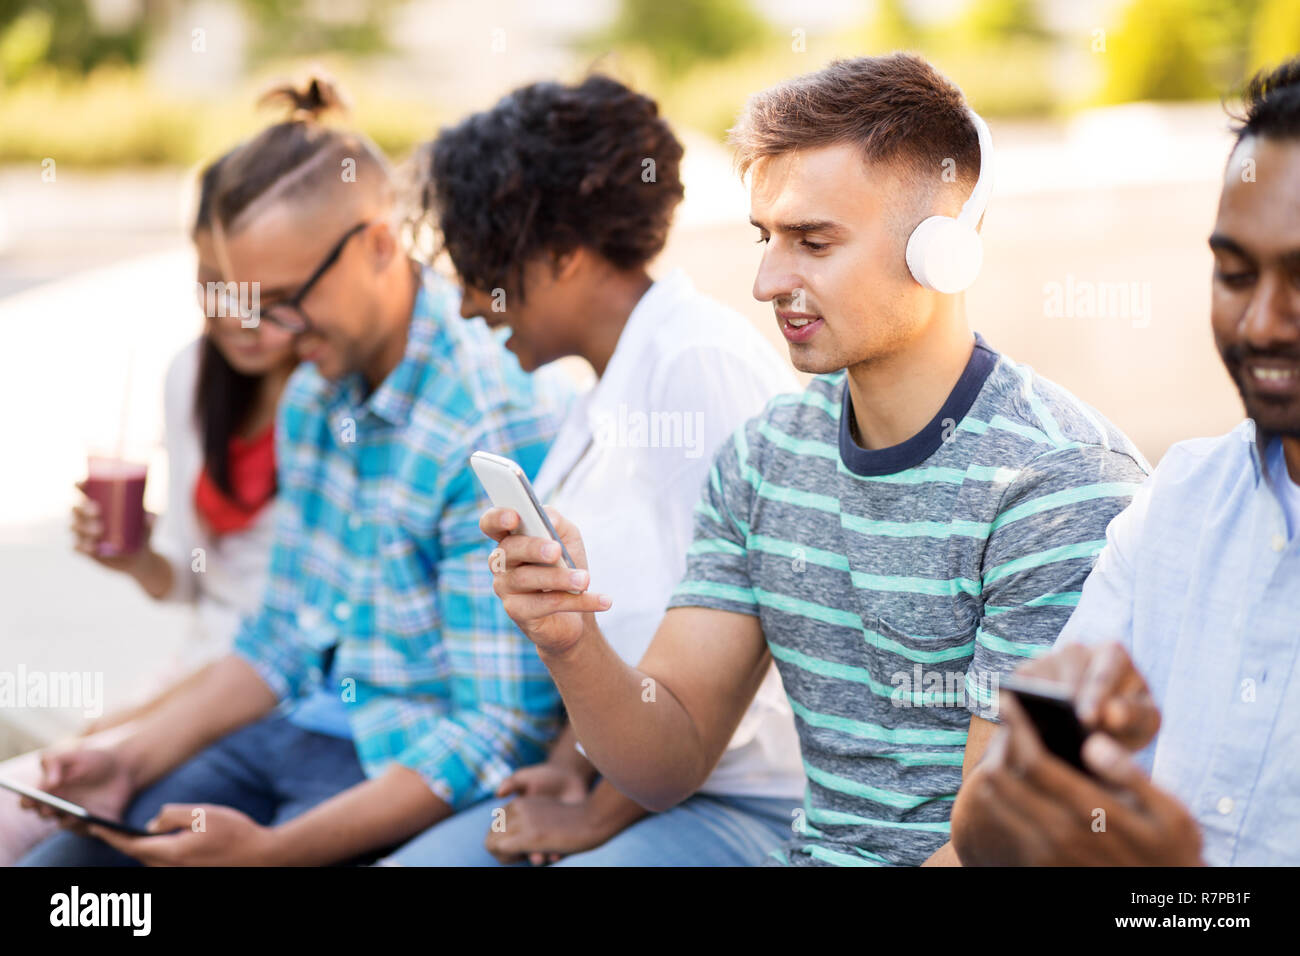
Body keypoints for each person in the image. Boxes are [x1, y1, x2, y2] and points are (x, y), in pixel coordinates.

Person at [477, 53, 1151, 866]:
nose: (766, 280)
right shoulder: (765, 456)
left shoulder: (1059, 484)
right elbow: (666, 758)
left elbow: (995, 848)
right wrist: (569, 640)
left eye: (813, 242)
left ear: (942, 251)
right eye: (768, 238)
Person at [15, 75, 572, 867]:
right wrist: (129, 759)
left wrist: (275, 852)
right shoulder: (315, 390)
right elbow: (280, 638)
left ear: (380, 244)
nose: (259, 333)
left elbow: (497, 729)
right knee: (65, 873)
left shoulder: (485, 416)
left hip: (405, 771)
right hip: (294, 729)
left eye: (283, 298)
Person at [382, 76, 805, 867]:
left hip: (745, 799)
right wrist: (573, 769)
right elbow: (639, 635)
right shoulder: (606, 387)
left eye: (481, 266)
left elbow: (740, 645)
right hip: (640, 780)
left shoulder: (696, 364)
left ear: (562, 253)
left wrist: (596, 817)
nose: (472, 304)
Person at [950, 58, 1300, 867]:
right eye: (1236, 274)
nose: (1262, 323)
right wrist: (1046, 758)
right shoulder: (1181, 497)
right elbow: (982, 839)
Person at [0, 151, 297, 864]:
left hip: (266, 688)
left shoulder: (331, 398)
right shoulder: (191, 376)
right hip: (198, 670)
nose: (242, 317)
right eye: (217, 287)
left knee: (34, 812)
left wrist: (134, 724)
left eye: (267, 293)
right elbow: (190, 583)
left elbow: (288, 637)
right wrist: (138, 558)